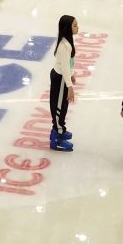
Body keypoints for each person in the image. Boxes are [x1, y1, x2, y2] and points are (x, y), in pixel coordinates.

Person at [49, 15, 78, 152]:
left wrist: (71, 75)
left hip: (62, 77)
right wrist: (69, 86)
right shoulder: (64, 45)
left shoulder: (67, 42)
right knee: (59, 108)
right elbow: (65, 66)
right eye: (75, 25)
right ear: (67, 28)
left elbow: (67, 64)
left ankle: (59, 128)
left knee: (62, 106)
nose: (77, 27)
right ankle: (57, 136)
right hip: (60, 79)